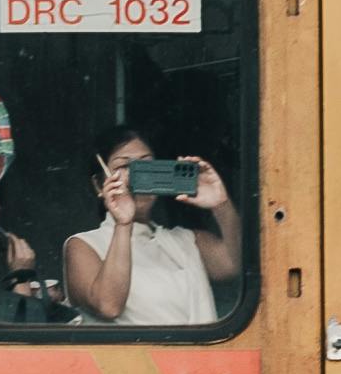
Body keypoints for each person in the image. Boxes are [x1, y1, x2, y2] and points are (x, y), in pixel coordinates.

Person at [66, 129, 244, 327]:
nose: (138, 174)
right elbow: (108, 306)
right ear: (100, 185)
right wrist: (123, 223)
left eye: (147, 164)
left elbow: (233, 265)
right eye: (124, 166)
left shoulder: (186, 240)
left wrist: (221, 204)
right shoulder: (84, 245)